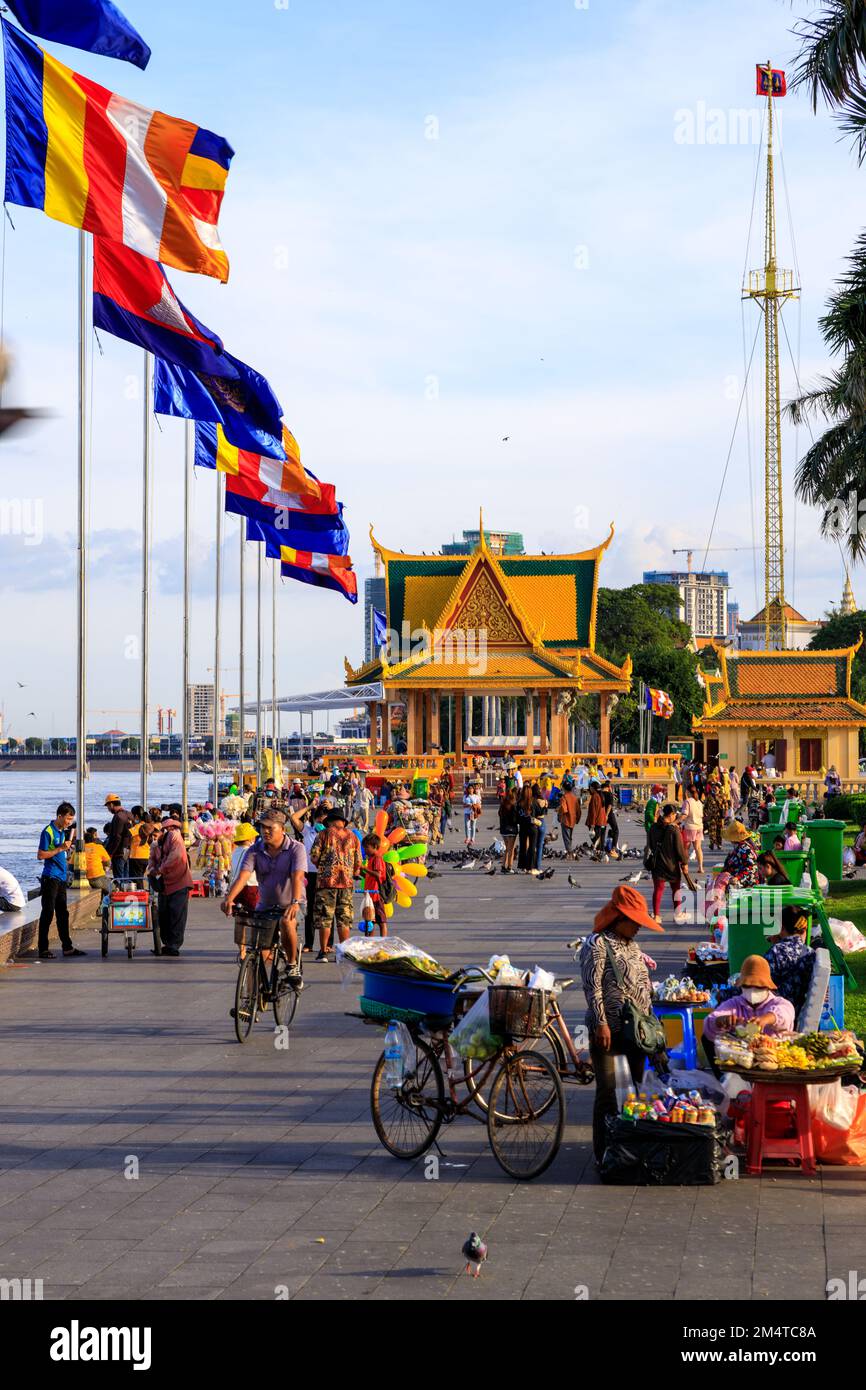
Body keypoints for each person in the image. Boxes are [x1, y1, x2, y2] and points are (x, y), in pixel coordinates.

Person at [580, 884, 664, 1163]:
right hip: (607, 1032)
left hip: (636, 1032)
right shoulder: (597, 944)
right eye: (635, 922)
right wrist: (601, 1023)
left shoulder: (633, 945)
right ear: (619, 918)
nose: (639, 927)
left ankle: (628, 1148)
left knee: (635, 1089)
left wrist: (654, 1030)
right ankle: (603, 1151)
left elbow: (643, 988)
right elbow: (593, 988)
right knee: (607, 1091)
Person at [223, 809, 305, 975]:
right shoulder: (254, 850)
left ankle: (292, 964)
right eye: (262, 827)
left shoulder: (296, 849)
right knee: (260, 954)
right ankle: (255, 996)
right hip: (265, 905)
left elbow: (297, 877)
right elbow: (243, 877)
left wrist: (295, 902)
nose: (265, 831)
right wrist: (229, 899)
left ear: (282, 829)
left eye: (270, 828)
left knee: (286, 922)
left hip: (293, 904)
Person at [702, 955, 796, 1074]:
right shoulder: (734, 1004)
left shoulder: (779, 1003)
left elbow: (785, 1013)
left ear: (767, 987)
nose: (752, 990)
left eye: (758, 987)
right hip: (742, 1062)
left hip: (774, 1064)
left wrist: (766, 1019)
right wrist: (720, 1021)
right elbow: (709, 1022)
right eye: (747, 986)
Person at [310, 808, 362, 960]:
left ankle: (323, 951)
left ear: (329, 821)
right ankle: (344, 952)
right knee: (344, 918)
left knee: (325, 918)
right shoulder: (353, 837)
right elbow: (358, 864)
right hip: (346, 883)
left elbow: (314, 857)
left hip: (326, 883)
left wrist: (323, 866)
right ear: (342, 821)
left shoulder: (323, 835)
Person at [37, 801, 85, 959]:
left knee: (63, 913)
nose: (69, 822)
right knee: (48, 912)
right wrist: (60, 848)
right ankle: (43, 949)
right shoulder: (48, 831)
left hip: (62, 878)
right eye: (67, 819)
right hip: (50, 877)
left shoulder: (63, 832)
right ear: (59, 816)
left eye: (71, 820)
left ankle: (67, 947)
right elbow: (41, 855)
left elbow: (62, 854)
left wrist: (67, 851)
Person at [148, 805, 193, 957]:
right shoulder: (155, 845)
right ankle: (166, 943)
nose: (155, 837)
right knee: (163, 915)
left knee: (177, 915)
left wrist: (160, 869)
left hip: (179, 883)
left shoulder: (174, 836)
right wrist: (153, 869)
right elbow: (151, 861)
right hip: (165, 886)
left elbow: (176, 857)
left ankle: (174, 945)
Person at [765, 907, 816, 1016]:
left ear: (781, 928)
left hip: (775, 1013)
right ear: (804, 929)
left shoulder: (776, 951)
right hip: (799, 1012)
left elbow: (758, 984)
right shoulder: (810, 953)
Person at [648, 803, 688, 923]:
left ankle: (657, 916)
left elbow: (650, 844)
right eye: (675, 815)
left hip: (657, 863)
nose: (675, 817)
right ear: (671, 815)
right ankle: (678, 913)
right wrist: (684, 863)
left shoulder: (653, 827)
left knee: (658, 889)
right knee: (676, 888)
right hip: (671, 864)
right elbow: (680, 848)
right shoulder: (674, 830)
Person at [361, 832, 388, 936]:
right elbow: (369, 876)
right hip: (370, 895)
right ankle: (370, 942)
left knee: (381, 921)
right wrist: (361, 872)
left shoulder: (377, 858)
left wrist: (365, 869)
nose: (365, 850)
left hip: (376, 895)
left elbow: (377, 875)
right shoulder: (371, 859)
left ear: (375, 847)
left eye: (367, 847)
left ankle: (383, 941)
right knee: (370, 919)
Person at [720, 819, 761, 888]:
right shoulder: (738, 848)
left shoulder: (744, 849)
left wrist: (737, 878)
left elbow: (751, 867)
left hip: (746, 883)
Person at [229, 822, 258, 913]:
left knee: (240, 919)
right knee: (255, 917)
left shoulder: (234, 852)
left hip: (235, 889)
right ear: (250, 838)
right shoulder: (250, 852)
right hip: (250, 888)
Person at [103, 794, 133, 881]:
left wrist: (110, 852)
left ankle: (121, 893)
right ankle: (127, 893)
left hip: (119, 852)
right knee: (126, 877)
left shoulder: (118, 817)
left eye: (108, 806)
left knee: (119, 878)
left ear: (111, 804)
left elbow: (116, 837)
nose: (108, 809)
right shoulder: (129, 814)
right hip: (128, 850)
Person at [678, 786, 705, 872]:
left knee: (686, 848)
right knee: (698, 848)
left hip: (690, 827)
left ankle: (684, 867)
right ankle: (700, 867)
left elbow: (684, 815)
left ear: (688, 792)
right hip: (699, 827)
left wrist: (675, 822)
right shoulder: (699, 802)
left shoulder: (687, 802)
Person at [556, 780, 581, 858]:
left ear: (564, 789)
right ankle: (570, 851)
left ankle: (570, 853)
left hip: (566, 819)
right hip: (572, 820)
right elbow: (578, 811)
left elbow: (564, 809)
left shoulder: (564, 797)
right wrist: (577, 819)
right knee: (569, 836)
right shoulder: (574, 798)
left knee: (566, 837)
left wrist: (559, 814)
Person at [516, 783, 537, 873]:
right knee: (532, 847)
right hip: (532, 827)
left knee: (523, 846)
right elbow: (537, 813)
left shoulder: (519, 803)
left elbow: (517, 816)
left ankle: (522, 866)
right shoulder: (533, 802)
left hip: (523, 827)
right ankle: (531, 867)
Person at [585, 779, 608, 858]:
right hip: (602, 821)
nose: (589, 789)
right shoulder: (601, 795)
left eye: (590, 788)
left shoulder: (595, 796)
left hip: (597, 822)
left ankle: (598, 854)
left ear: (593, 788)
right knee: (600, 839)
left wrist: (592, 824)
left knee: (595, 839)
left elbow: (594, 812)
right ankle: (601, 853)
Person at [498, 788, 519, 873]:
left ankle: (503, 866)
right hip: (511, 829)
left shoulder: (502, 805)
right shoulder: (513, 806)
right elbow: (514, 819)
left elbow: (500, 815)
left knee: (507, 848)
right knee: (511, 849)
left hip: (503, 829)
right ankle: (509, 867)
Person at [83, 828, 111, 893]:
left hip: (84, 879)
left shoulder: (78, 848)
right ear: (93, 839)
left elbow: (71, 865)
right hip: (98, 876)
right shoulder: (99, 847)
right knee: (115, 889)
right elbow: (108, 862)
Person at [463, 781, 482, 846]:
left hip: (474, 813)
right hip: (467, 812)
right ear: (467, 790)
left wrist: (474, 805)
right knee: (467, 825)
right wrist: (469, 805)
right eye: (469, 789)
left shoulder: (476, 796)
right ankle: (467, 838)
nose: (470, 790)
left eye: (471, 789)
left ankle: (472, 839)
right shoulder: (465, 796)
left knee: (473, 826)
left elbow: (479, 805)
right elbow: (463, 805)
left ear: (473, 789)